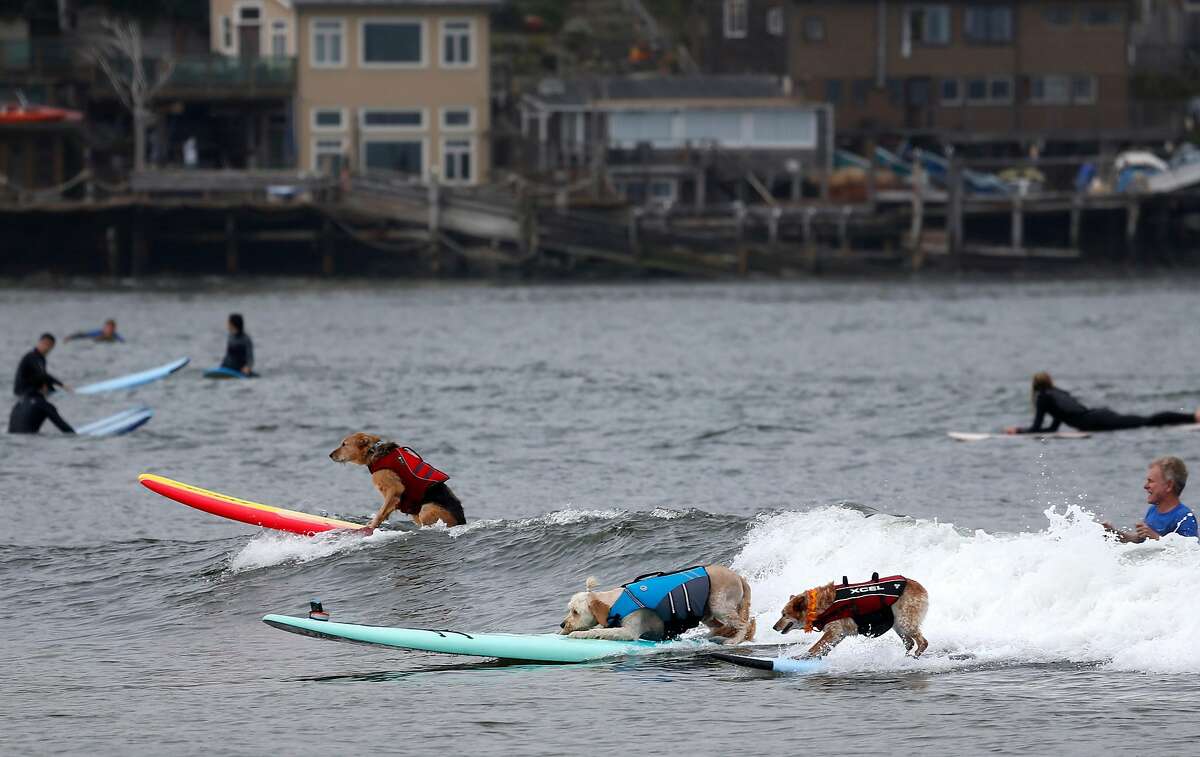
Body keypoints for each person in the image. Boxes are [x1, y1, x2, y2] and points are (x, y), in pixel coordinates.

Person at [1006, 372, 1199, 434]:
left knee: (1147, 422)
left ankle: (1193, 417)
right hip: (1098, 415)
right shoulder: (1058, 393)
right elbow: (1053, 428)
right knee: (1145, 420)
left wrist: (1018, 431)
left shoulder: (1043, 397)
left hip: (1094, 422)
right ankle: (1190, 417)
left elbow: (1038, 427)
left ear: (1035, 386)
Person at [1103, 457, 1196, 542]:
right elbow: (1139, 541)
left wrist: (1155, 537)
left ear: (1169, 485)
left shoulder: (1184, 517)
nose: (1145, 486)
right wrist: (1113, 533)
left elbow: (1190, 552)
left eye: (1150, 481)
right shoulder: (1153, 510)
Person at [8, 381, 73, 434]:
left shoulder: (18, 404)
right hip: (28, 444)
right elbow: (66, 429)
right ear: (44, 387)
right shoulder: (43, 405)